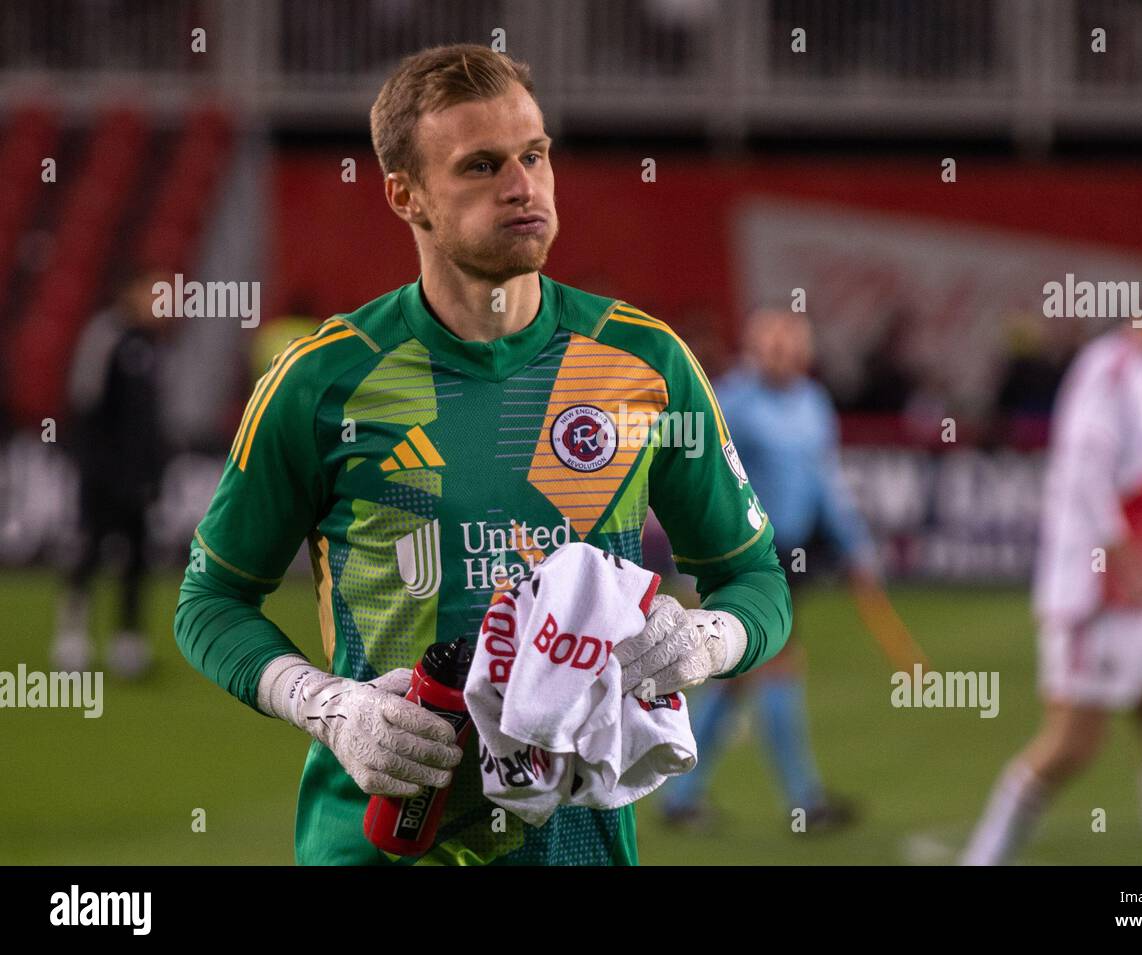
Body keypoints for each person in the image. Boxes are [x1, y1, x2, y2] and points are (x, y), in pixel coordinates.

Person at [173, 44, 791, 866]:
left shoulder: (646, 363)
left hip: (580, 848)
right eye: (481, 165)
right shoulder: (319, 382)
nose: (522, 184)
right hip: (377, 848)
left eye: (534, 154)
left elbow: (757, 579)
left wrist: (709, 638)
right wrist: (328, 706)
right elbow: (209, 601)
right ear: (406, 195)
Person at [962, 259, 1142, 865]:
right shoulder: (1110, 370)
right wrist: (1119, 556)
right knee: (1072, 746)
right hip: (1101, 592)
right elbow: (1083, 470)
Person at [660, 307, 897, 832]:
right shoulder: (729, 401)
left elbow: (825, 483)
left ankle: (679, 797)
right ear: (751, 345)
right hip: (736, 560)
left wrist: (856, 547)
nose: (780, 351)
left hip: (789, 557)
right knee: (776, 665)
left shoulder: (813, 403)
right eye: (770, 342)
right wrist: (691, 561)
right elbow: (691, 480)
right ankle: (804, 803)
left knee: (735, 678)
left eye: (790, 342)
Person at [53, 270, 172, 678]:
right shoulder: (105, 335)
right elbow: (85, 402)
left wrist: (154, 470)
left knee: (138, 557)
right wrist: (97, 467)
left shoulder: (153, 346)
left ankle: (128, 641)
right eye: (154, 293)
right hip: (103, 473)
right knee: (89, 550)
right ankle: (72, 637)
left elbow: (152, 419)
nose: (162, 303)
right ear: (130, 292)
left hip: (138, 477)